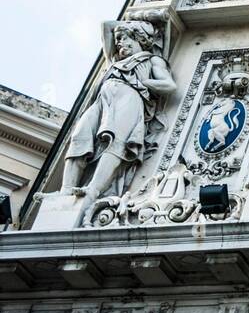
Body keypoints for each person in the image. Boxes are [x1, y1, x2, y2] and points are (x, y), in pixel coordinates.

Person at [61, 17, 176, 226]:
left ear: (138, 39)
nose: (120, 43)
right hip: (102, 101)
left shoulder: (150, 60)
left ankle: (93, 189)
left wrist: (144, 81)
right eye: (119, 40)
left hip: (130, 98)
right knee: (80, 136)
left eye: (124, 39)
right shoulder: (114, 61)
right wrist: (132, 23)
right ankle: (66, 191)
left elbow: (169, 85)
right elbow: (106, 25)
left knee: (116, 142)